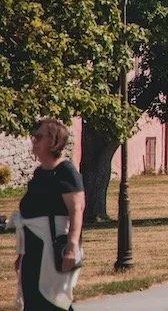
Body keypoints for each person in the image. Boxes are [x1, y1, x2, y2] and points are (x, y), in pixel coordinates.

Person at [13, 118, 85, 310]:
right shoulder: (40, 173)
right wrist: (22, 254)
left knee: (53, 301)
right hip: (34, 249)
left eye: (39, 137)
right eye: (33, 137)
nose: (34, 141)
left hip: (54, 247)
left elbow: (76, 210)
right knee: (34, 300)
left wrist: (72, 247)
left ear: (54, 141)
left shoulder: (65, 171)